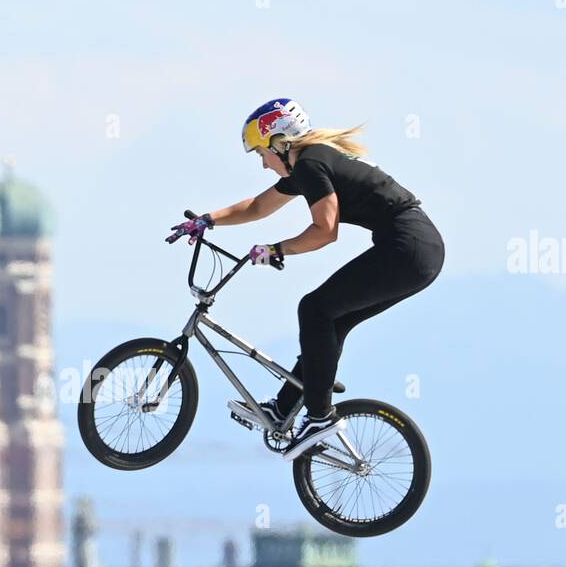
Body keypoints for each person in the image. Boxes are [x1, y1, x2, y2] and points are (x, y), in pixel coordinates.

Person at [169, 98, 445, 460]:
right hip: (416, 249)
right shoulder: (309, 164)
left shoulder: (313, 163)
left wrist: (277, 249)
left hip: (408, 247)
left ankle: (318, 417)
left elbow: (324, 231)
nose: (263, 164)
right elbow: (257, 206)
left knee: (314, 308)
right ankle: (284, 408)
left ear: (281, 143)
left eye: (261, 154)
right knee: (332, 320)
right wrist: (208, 219)